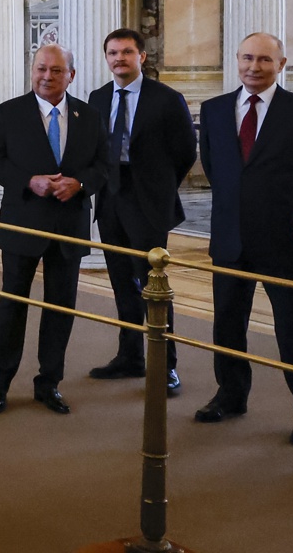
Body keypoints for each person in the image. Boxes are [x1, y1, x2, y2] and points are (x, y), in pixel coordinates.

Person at [195, 33, 293, 445]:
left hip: (285, 242)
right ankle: (230, 395)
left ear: (282, 64)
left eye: (264, 60)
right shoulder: (214, 110)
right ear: (236, 60)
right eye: (247, 58)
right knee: (227, 326)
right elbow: (217, 172)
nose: (254, 67)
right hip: (230, 240)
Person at [0, 44, 107, 416]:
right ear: (31, 70)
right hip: (23, 221)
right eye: (40, 69)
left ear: (71, 75)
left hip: (69, 225)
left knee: (60, 308)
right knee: (12, 305)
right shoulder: (8, 113)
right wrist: (27, 182)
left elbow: (103, 165)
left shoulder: (90, 115)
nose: (46, 76)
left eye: (55, 70)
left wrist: (81, 184)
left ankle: (49, 383)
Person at [86, 28, 196, 394]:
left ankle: (166, 366)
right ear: (107, 58)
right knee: (121, 284)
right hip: (110, 199)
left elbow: (184, 152)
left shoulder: (167, 99)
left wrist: (158, 187)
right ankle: (130, 356)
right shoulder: (97, 98)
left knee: (154, 286)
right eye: (113, 53)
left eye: (127, 52)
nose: (119, 59)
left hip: (147, 202)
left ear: (141, 57)